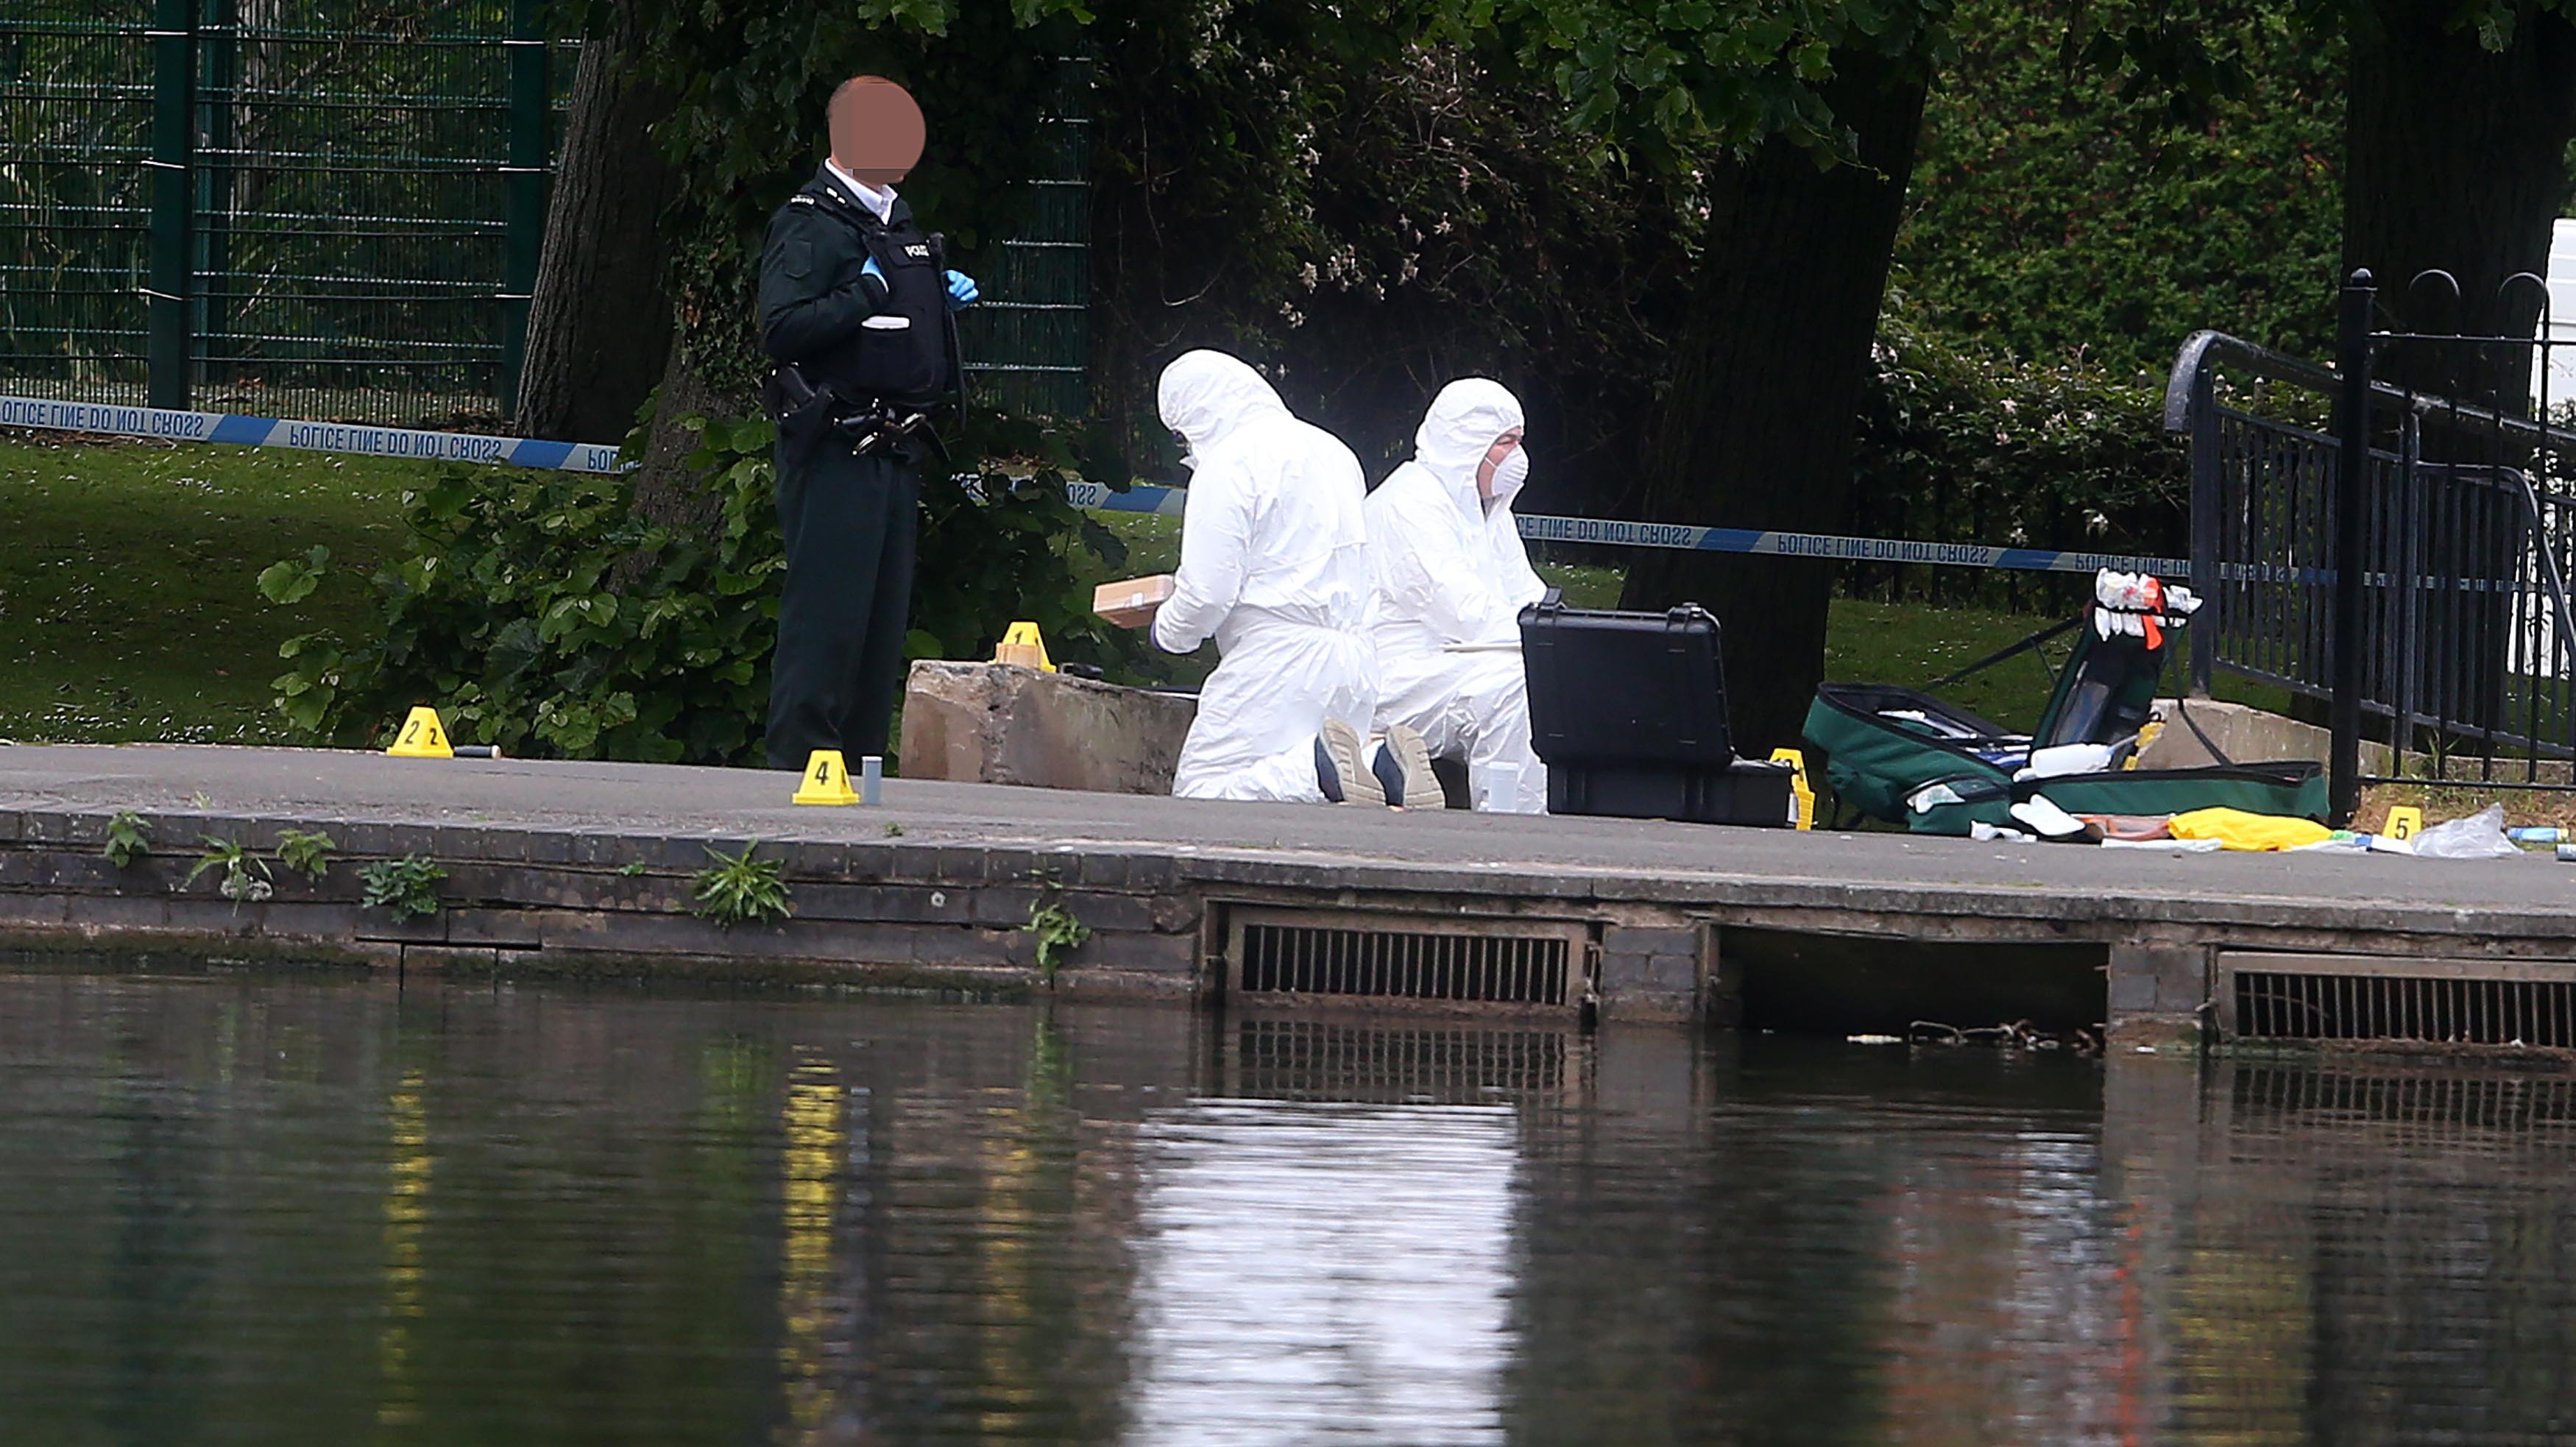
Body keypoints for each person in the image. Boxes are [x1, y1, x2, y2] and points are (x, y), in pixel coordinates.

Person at [756, 75, 980, 769]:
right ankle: (804, 763)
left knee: (880, 623)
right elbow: (783, 328)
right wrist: (867, 291)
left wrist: (934, 297)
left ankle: (858, 767)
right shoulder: (811, 222)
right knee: (828, 613)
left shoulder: (896, 221)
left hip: (897, 445)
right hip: (837, 443)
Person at [1147, 350, 1435, 805]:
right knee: (1331, 806)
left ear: (1195, 416)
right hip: (1355, 662)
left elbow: (1208, 593)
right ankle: (1379, 763)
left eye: (1181, 436)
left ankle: (1316, 768)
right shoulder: (1334, 452)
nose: (1186, 448)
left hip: (1276, 658)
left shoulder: (1229, 461)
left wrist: (1167, 631)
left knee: (1204, 790)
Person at [1365, 378, 1551, 813]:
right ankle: (1509, 825)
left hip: (1455, 662)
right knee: (1516, 689)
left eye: (1519, 440)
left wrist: (1557, 639)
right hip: (1395, 673)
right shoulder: (1410, 503)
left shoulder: (1491, 514)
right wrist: (1544, 642)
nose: (1518, 456)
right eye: (1505, 442)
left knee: (1549, 679)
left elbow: (1529, 598)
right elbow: (1464, 614)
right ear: (1466, 443)